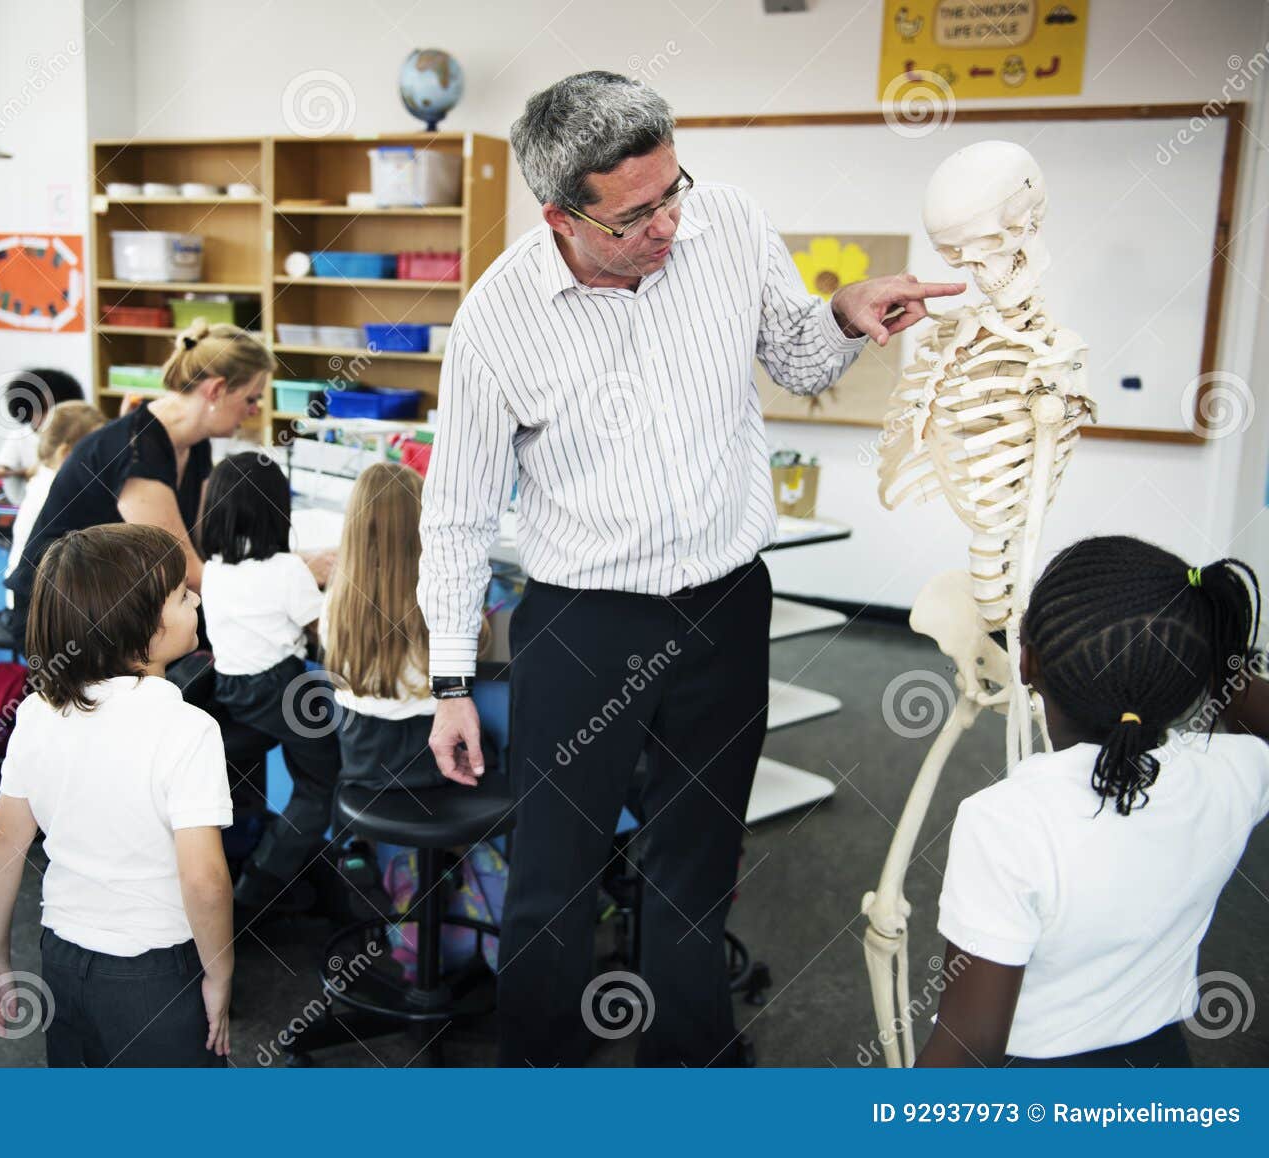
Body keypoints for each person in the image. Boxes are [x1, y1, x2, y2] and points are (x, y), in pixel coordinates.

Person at [417, 71, 966, 1067]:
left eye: (673, 190)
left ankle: (689, 1079)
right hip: (585, 622)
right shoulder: (499, 318)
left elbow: (796, 358)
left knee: (699, 867)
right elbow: (454, 515)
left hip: (721, 605)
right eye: (635, 214)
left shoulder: (728, 224)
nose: (669, 224)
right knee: (554, 880)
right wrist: (451, 680)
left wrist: (842, 314)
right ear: (560, 213)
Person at [920, 535, 1268, 1067]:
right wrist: (1222, 661)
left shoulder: (1004, 822)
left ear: (1027, 662)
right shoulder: (1234, 775)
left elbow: (969, 1049)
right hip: (1163, 1067)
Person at [0, 523, 235, 1066]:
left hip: (62, 959)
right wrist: (221, 974)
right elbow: (204, 880)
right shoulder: (187, 728)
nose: (197, 597)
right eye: (182, 595)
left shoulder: (36, 713)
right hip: (155, 972)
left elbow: (2, 846)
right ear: (142, 629)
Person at [5, 320, 274, 644]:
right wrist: (282, 584)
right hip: (60, 615)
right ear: (216, 389)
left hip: (112, 600)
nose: (254, 410)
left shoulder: (195, 442)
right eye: (251, 399)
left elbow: (203, 540)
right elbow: (184, 571)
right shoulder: (137, 450)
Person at [197, 453, 342, 912]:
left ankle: (271, 862)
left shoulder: (216, 565)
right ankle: (257, 888)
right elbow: (327, 632)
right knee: (324, 785)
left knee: (307, 770)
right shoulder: (286, 571)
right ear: (279, 511)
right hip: (279, 691)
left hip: (230, 688)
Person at [322, 462, 488, 796]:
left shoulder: (335, 604)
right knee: (491, 751)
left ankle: (359, 847)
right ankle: (459, 849)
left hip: (362, 759)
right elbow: (478, 641)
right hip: (432, 754)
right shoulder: (441, 604)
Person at [4, 401, 105, 607]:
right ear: (67, 454)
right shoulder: (54, 490)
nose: (103, 457)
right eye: (97, 449)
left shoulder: (43, 477)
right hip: (33, 604)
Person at [0, 368, 86, 506]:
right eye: (40, 410)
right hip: (27, 503)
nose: (47, 417)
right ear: (26, 410)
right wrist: (4, 472)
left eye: (54, 410)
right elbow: (2, 469)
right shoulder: (19, 436)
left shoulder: (73, 437)